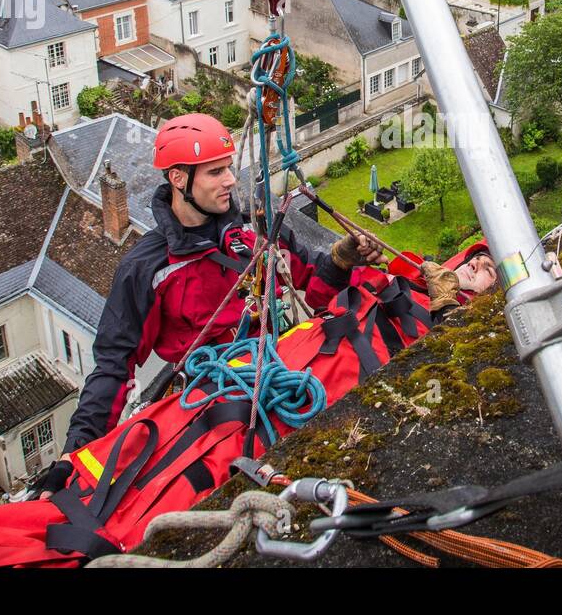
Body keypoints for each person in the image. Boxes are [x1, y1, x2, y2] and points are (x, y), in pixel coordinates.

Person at [39, 113, 382, 496]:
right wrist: (76, 452)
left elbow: (312, 287)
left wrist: (341, 260)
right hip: (212, 400)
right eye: (215, 172)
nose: (231, 180)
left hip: (280, 370)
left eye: (229, 169)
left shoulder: (255, 229)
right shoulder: (148, 268)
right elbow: (114, 366)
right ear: (179, 179)